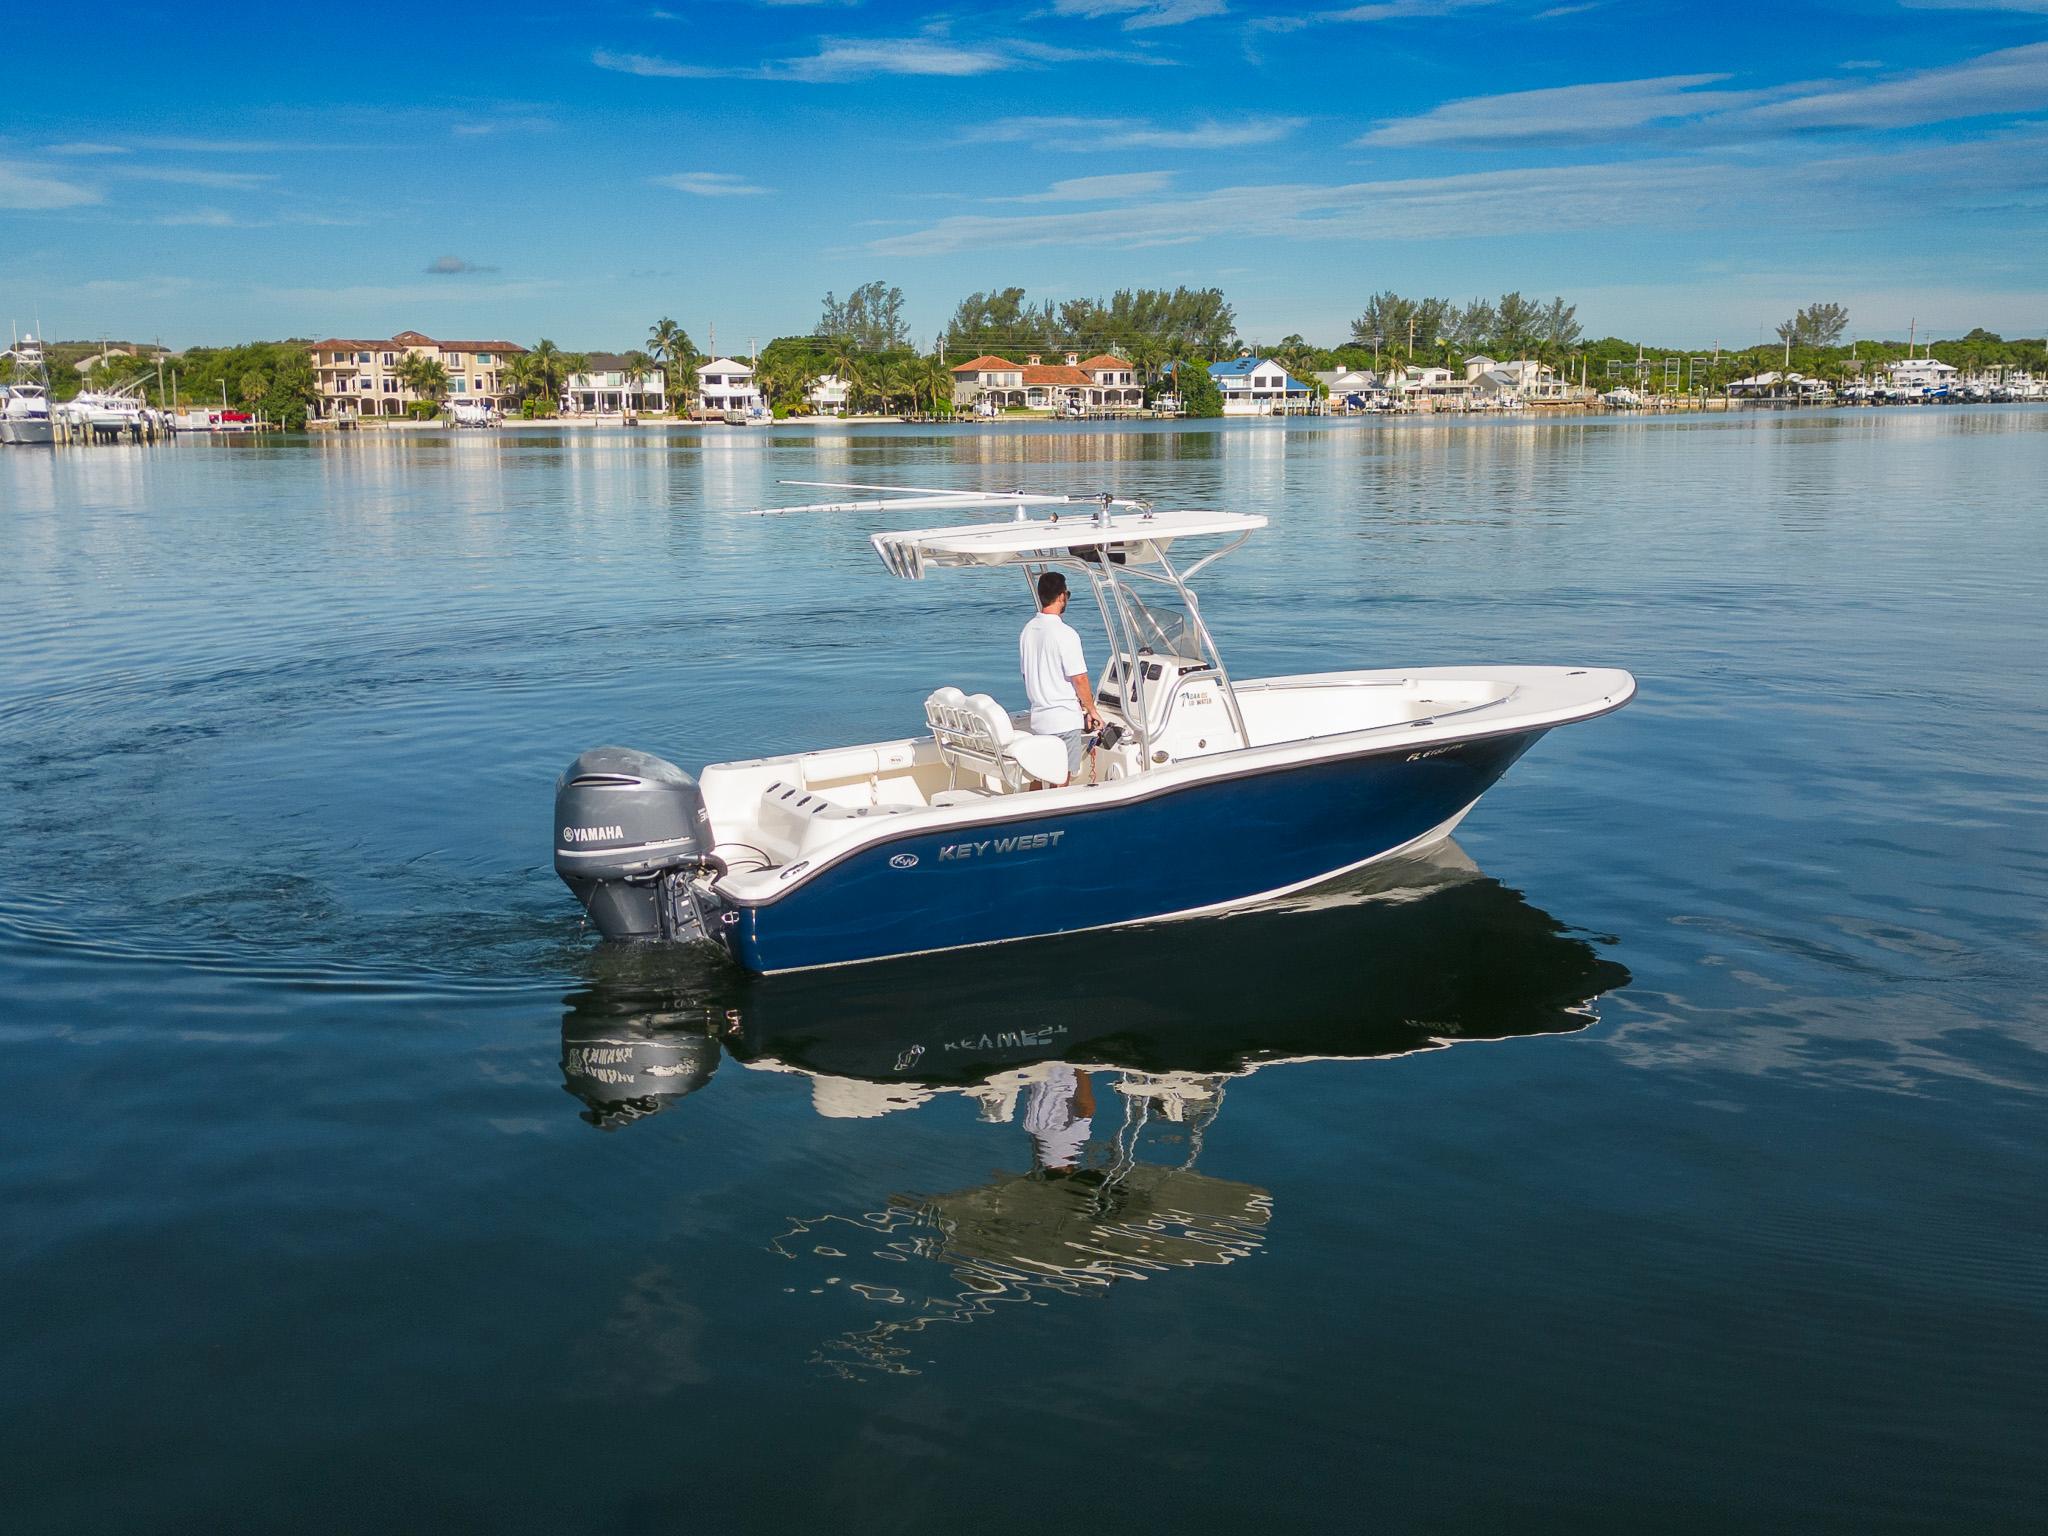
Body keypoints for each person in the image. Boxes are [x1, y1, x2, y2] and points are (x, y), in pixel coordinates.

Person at [1019, 571, 1100, 785]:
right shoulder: (1065, 633)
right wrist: (1092, 711)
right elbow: (1080, 679)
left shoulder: (1028, 631)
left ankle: (1031, 811)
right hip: (1063, 720)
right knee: (1062, 778)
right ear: (1062, 596)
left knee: (1040, 775)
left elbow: (1027, 673)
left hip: (1039, 721)